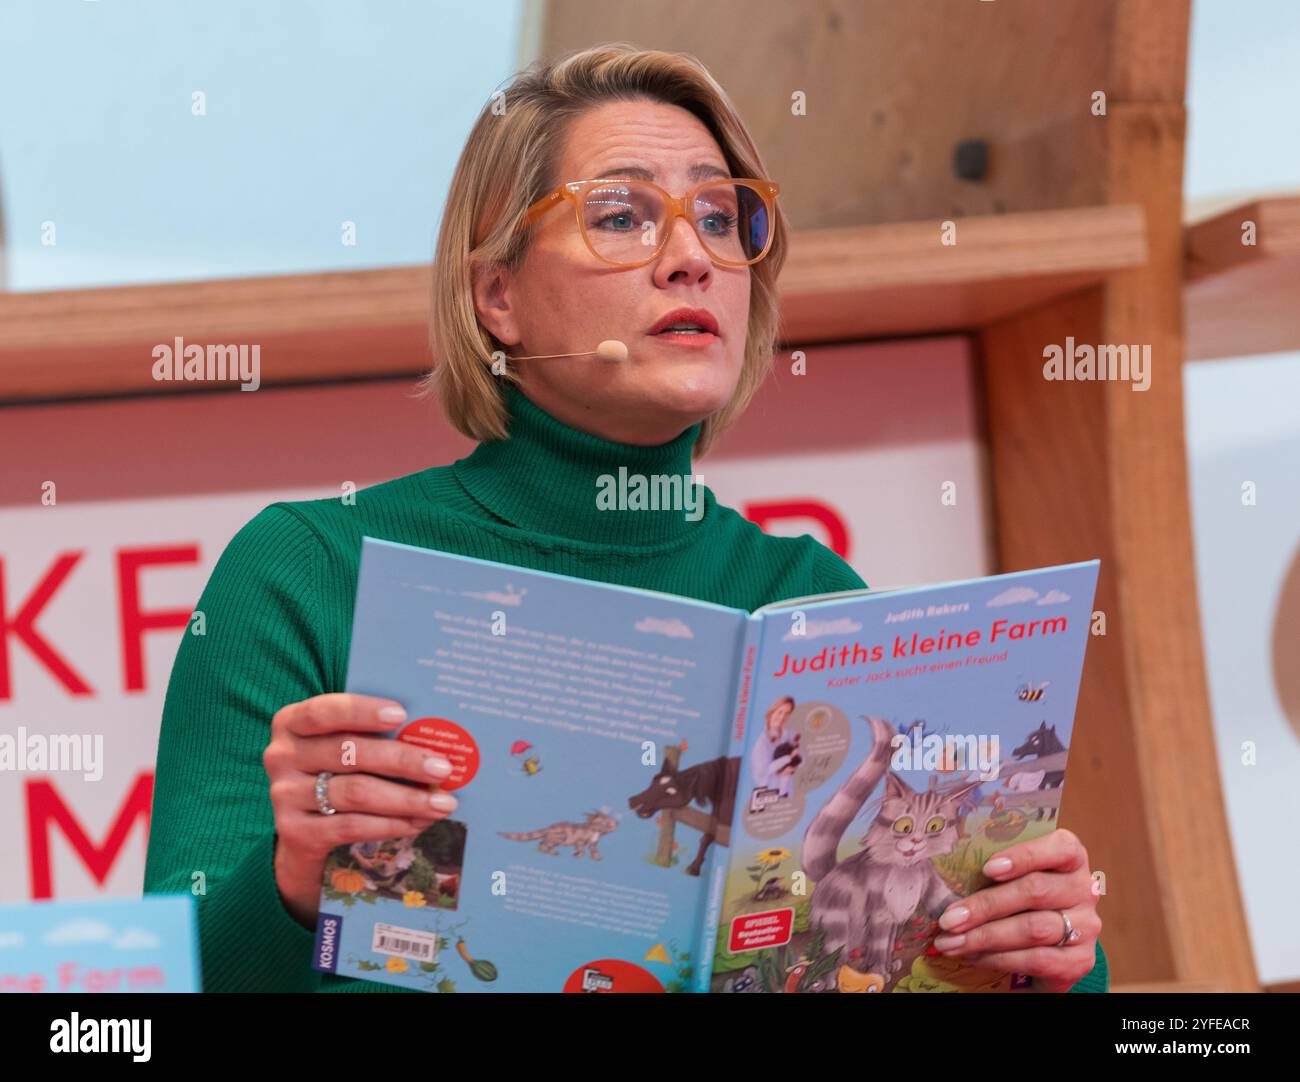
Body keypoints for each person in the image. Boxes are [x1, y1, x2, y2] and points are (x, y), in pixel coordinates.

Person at [143, 43, 1106, 994]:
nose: (692, 257)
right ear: (498, 296)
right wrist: (295, 892)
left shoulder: (809, 597)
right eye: (622, 215)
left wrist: (1048, 954)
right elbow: (154, 1001)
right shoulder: (309, 571)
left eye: (721, 219)